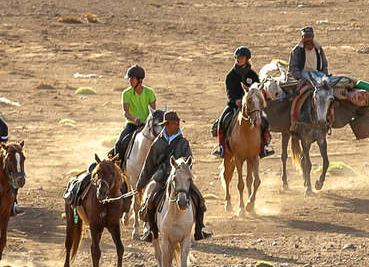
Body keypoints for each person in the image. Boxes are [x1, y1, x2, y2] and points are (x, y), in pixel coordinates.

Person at [139, 111, 210, 242]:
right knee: (150, 201)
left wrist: (184, 175)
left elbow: (189, 161)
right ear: (167, 125)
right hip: (161, 178)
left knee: (200, 199)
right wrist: (140, 184)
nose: (178, 125)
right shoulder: (157, 143)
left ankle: (199, 229)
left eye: (178, 123)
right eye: (175, 123)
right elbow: (148, 165)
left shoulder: (183, 142)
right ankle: (152, 231)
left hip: (181, 179)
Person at [213, 46, 271, 158]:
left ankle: (264, 147)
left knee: (264, 121)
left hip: (251, 106)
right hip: (234, 105)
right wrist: (235, 101)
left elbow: (257, 90)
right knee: (222, 121)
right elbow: (229, 92)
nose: (238, 59)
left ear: (247, 58)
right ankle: (221, 147)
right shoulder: (230, 76)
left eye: (241, 57)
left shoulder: (253, 75)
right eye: (237, 57)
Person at [111, 65, 156, 159]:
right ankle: (118, 166)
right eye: (129, 79)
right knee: (118, 144)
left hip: (147, 125)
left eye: (132, 79)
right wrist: (134, 119)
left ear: (140, 80)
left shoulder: (150, 92)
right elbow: (125, 112)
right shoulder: (126, 93)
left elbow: (153, 112)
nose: (130, 81)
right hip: (132, 124)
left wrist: (147, 121)